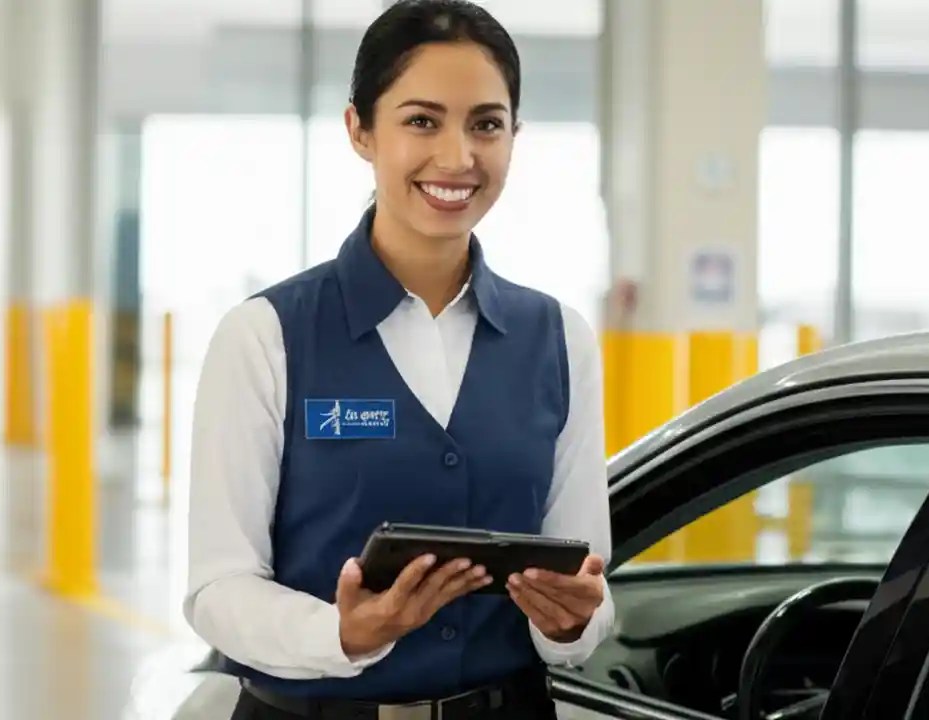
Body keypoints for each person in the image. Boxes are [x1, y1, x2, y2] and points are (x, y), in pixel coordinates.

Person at [183, 1, 613, 717]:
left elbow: (588, 581)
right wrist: (340, 633)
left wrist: (571, 622)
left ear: (514, 135)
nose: (458, 157)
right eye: (421, 121)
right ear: (360, 130)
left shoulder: (559, 339)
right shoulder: (265, 335)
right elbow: (217, 588)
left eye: (486, 124)